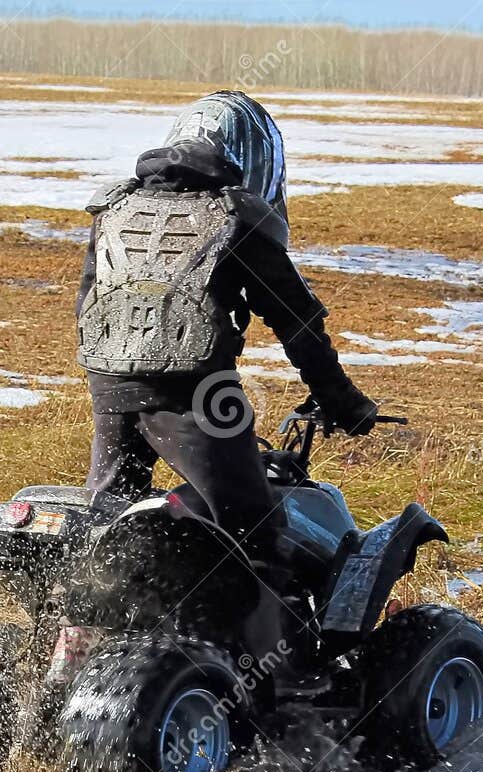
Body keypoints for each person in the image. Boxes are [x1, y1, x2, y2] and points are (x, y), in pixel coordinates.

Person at [76, 91, 379, 661]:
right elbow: (298, 324)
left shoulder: (115, 206)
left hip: (108, 388)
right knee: (257, 534)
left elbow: (88, 304)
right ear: (254, 156)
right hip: (198, 393)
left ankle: (85, 655)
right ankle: (271, 685)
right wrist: (343, 401)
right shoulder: (236, 215)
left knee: (107, 530)